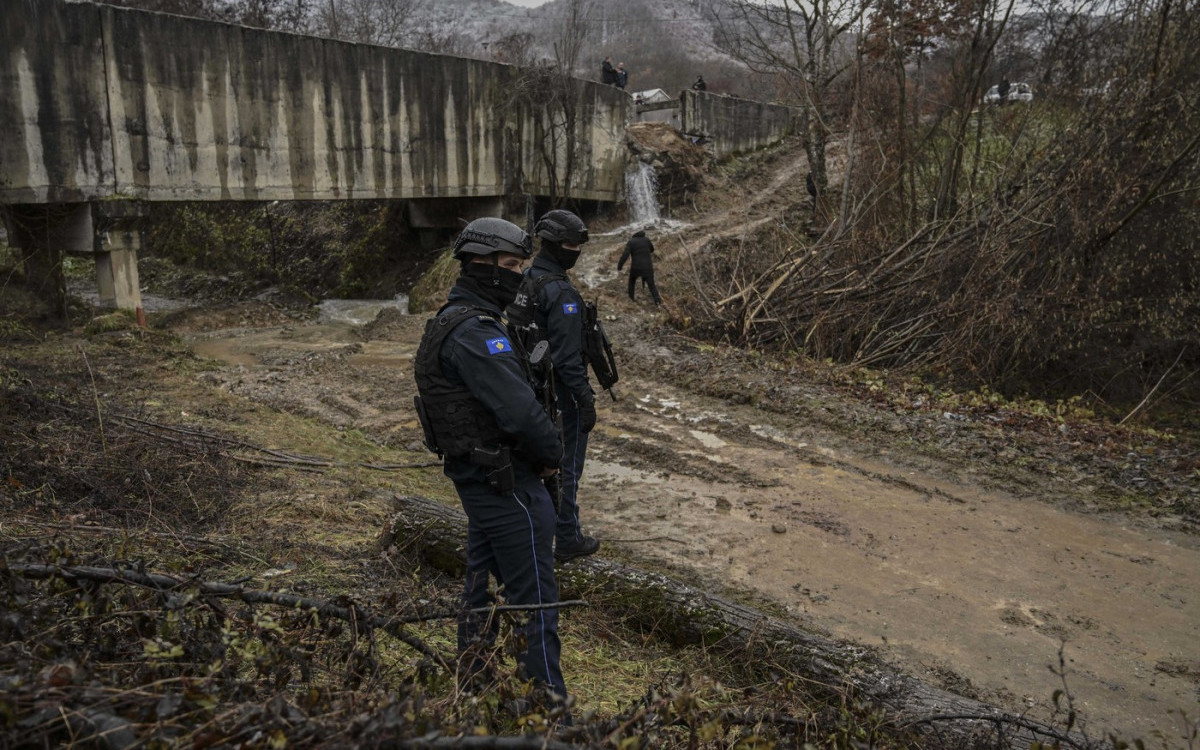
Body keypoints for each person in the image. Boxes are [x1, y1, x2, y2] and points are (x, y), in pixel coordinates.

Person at [413, 217, 569, 712]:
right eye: (509, 266)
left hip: (486, 481)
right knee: (536, 602)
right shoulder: (475, 333)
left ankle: (475, 684)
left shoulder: (454, 321)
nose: (518, 276)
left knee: (480, 587)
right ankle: (549, 714)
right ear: (479, 266)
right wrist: (552, 457)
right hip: (509, 486)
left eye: (521, 266)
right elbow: (522, 413)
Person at [506, 210, 601, 563]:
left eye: (578, 244)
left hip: (529, 389)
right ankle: (567, 538)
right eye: (571, 244)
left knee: (538, 464)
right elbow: (567, 358)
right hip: (558, 394)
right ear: (553, 245)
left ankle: (536, 532)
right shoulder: (560, 292)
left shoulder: (525, 279)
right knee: (567, 466)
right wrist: (585, 400)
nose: (576, 250)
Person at [617, 229, 661, 306]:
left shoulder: (631, 241)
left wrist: (619, 266)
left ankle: (631, 298)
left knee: (632, 281)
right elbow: (652, 250)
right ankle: (657, 301)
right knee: (652, 285)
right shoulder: (647, 240)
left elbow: (625, 255)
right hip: (648, 267)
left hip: (636, 267)